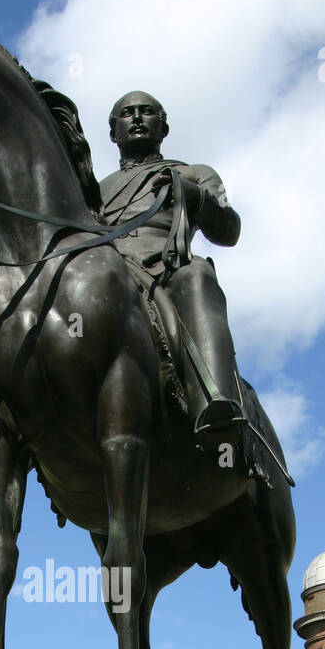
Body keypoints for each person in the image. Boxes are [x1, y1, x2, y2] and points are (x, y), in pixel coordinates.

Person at [100, 92, 245, 454]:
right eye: (127, 114)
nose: (136, 118)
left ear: (163, 127)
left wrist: (197, 197)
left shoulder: (193, 173)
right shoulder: (93, 191)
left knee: (197, 275)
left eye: (146, 112)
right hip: (105, 274)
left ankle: (216, 402)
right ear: (113, 132)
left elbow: (229, 230)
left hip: (164, 273)